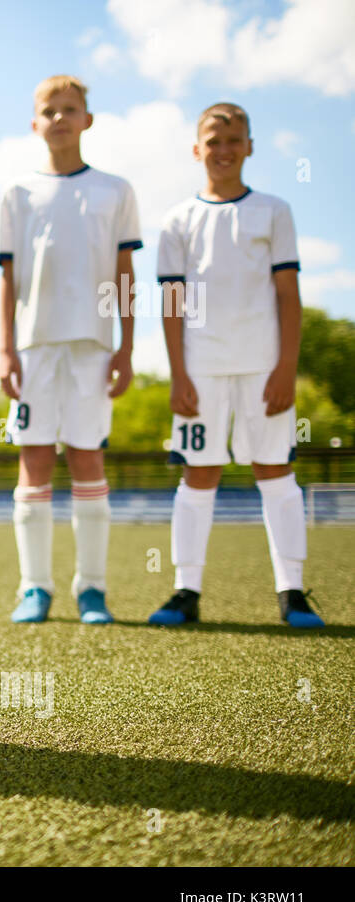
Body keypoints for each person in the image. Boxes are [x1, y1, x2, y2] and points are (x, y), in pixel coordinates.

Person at [149, 103, 322, 629]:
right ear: (197, 149)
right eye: (213, 140)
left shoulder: (274, 210)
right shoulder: (178, 219)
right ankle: (186, 591)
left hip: (263, 366)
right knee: (198, 475)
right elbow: (172, 302)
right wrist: (179, 374)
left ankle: (292, 592)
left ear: (249, 146)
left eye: (234, 140)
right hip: (201, 370)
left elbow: (288, 294)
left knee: (275, 471)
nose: (223, 150)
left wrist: (285, 367)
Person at [0, 75, 141, 625]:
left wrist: (127, 347)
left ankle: (92, 589)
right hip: (34, 348)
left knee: (88, 459)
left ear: (88, 119)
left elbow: (126, 271)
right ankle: (35, 588)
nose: (59, 118)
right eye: (49, 110)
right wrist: (5, 349)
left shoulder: (115, 190)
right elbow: (5, 276)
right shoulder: (17, 193)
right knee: (33, 464)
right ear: (35, 123)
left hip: (95, 347)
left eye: (70, 109)